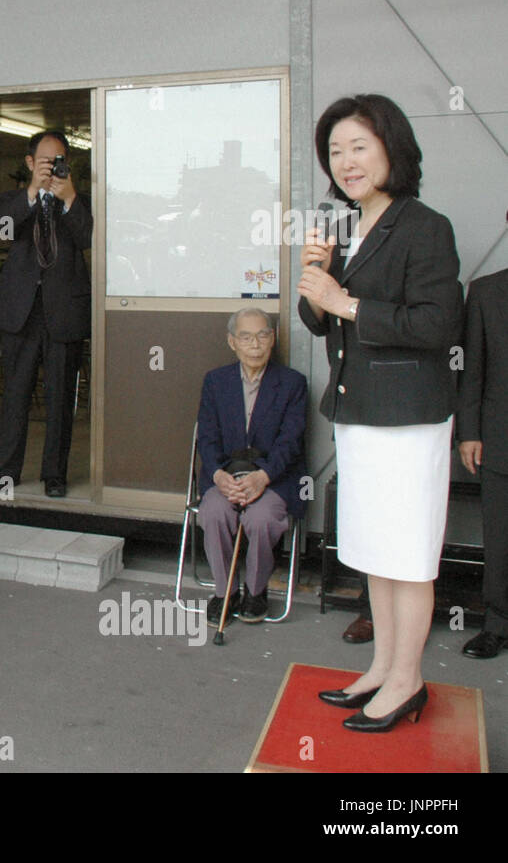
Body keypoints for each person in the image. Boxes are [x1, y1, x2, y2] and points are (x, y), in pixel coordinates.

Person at [298, 93, 463, 732]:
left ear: (392, 147)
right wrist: (318, 280)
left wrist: (346, 303)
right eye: (335, 152)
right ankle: (382, 668)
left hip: (408, 417)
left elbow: (436, 324)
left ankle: (407, 680)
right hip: (358, 410)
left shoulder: (425, 226)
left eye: (358, 146)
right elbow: (320, 319)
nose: (346, 162)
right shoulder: (343, 225)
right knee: (373, 549)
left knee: (408, 553)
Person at [0, 130, 93, 498]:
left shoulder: (79, 201)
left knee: (60, 398)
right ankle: (7, 472)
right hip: (21, 313)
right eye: (45, 160)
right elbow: (3, 233)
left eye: (59, 159)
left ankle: (55, 475)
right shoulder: (12, 199)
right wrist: (32, 191)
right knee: (14, 396)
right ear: (30, 163)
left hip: (64, 313)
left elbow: (88, 237)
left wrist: (69, 199)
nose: (52, 167)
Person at [196, 308, 307, 625]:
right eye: (246, 336)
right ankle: (225, 592)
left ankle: (256, 592)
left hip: (273, 478)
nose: (255, 344)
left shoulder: (292, 384)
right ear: (232, 342)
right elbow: (206, 436)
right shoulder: (216, 381)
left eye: (262, 335)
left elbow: (291, 441)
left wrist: (264, 476)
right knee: (215, 512)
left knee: (260, 518)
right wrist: (218, 474)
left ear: (273, 339)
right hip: (225, 476)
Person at [455, 268, 508, 659]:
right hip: (499, 435)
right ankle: (497, 625)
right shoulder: (487, 290)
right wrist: (469, 431)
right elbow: (471, 367)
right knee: (500, 537)